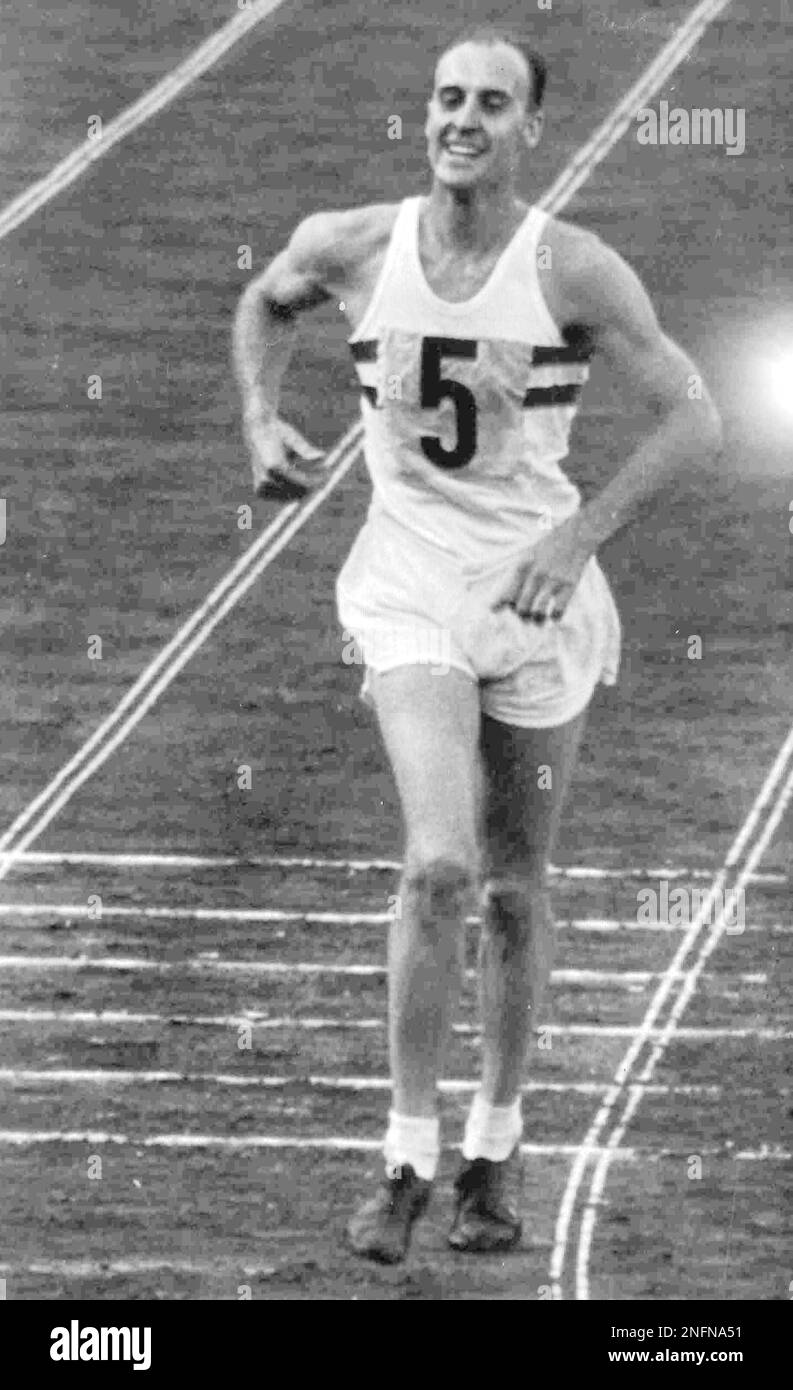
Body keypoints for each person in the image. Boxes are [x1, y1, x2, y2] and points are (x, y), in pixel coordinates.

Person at [232, 26, 722, 1264]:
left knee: (513, 884)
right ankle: (403, 1156)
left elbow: (692, 418)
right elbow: (264, 299)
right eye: (448, 97)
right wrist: (257, 415)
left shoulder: (573, 269)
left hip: (535, 605)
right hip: (405, 593)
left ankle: (494, 1149)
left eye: (491, 103)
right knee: (438, 864)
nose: (463, 118)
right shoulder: (352, 244)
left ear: (528, 129)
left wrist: (579, 538)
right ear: (428, 112)